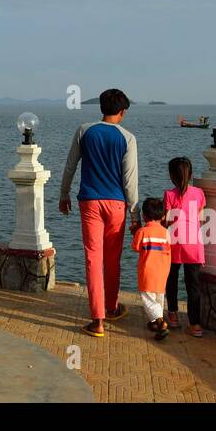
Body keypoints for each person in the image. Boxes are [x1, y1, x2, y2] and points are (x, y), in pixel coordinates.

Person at [59, 88, 139, 337]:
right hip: (116, 205)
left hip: (90, 202)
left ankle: (98, 320)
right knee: (112, 258)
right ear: (123, 111)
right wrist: (135, 213)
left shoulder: (84, 131)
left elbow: (70, 164)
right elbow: (130, 181)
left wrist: (64, 194)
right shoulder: (127, 138)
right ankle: (112, 307)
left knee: (93, 259)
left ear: (101, 108)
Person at [164, 156, 206, 336]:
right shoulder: (199, 193)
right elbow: (202, 218)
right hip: (193, 243)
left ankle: (172, 316)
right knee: (193, 285)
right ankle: (195, 324)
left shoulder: (169, 194)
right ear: (190, 175)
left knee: (171, 279)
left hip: (174, 243)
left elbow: (166, 220)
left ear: (172, 176)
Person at [131, 196, 172, 340]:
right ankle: (155, 322)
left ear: (144, 215)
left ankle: (160, 322)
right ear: (162, 216)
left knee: (147, 297)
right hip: (163, 270)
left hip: (147, 270)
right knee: (159, 297)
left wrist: (134, 232)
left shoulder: (142, 232)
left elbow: (135, 247)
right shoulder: (166, 232)